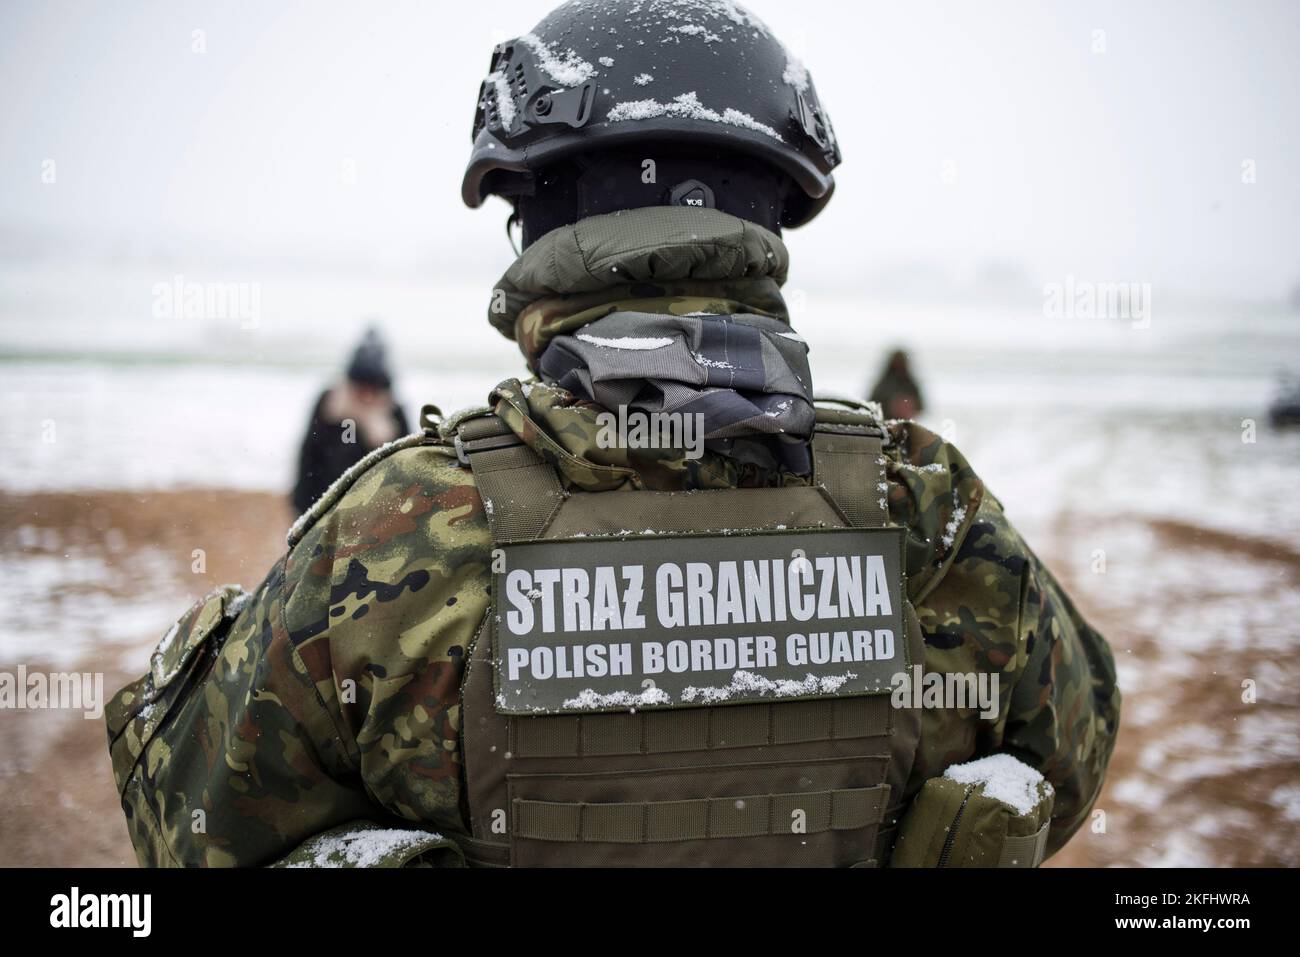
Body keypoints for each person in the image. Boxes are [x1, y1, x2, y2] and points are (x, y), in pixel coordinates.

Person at [106, 0, 1119, 868]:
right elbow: (1071, 743)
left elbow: (188, 822)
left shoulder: (397, 529)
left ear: (537, 222)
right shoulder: (929, 514)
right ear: (767, 220)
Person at [290, 328, 410, 515]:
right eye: (362, 386)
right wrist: (303, 508)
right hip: (326, 507)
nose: (367, 394)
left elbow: (406, 468)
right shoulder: (330, 405)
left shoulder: (393, 413)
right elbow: (308, 458)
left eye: (373, 388)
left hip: (376, 514)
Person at [869, 349, 925, 420]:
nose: (899, 367)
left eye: (900, 363)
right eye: (897, 363)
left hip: (907, 423)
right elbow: (872, 405)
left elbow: (921, 406)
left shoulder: (910, 384)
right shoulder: (883, 384)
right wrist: (891, 407)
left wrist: (909, 407)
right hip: (886, 423)